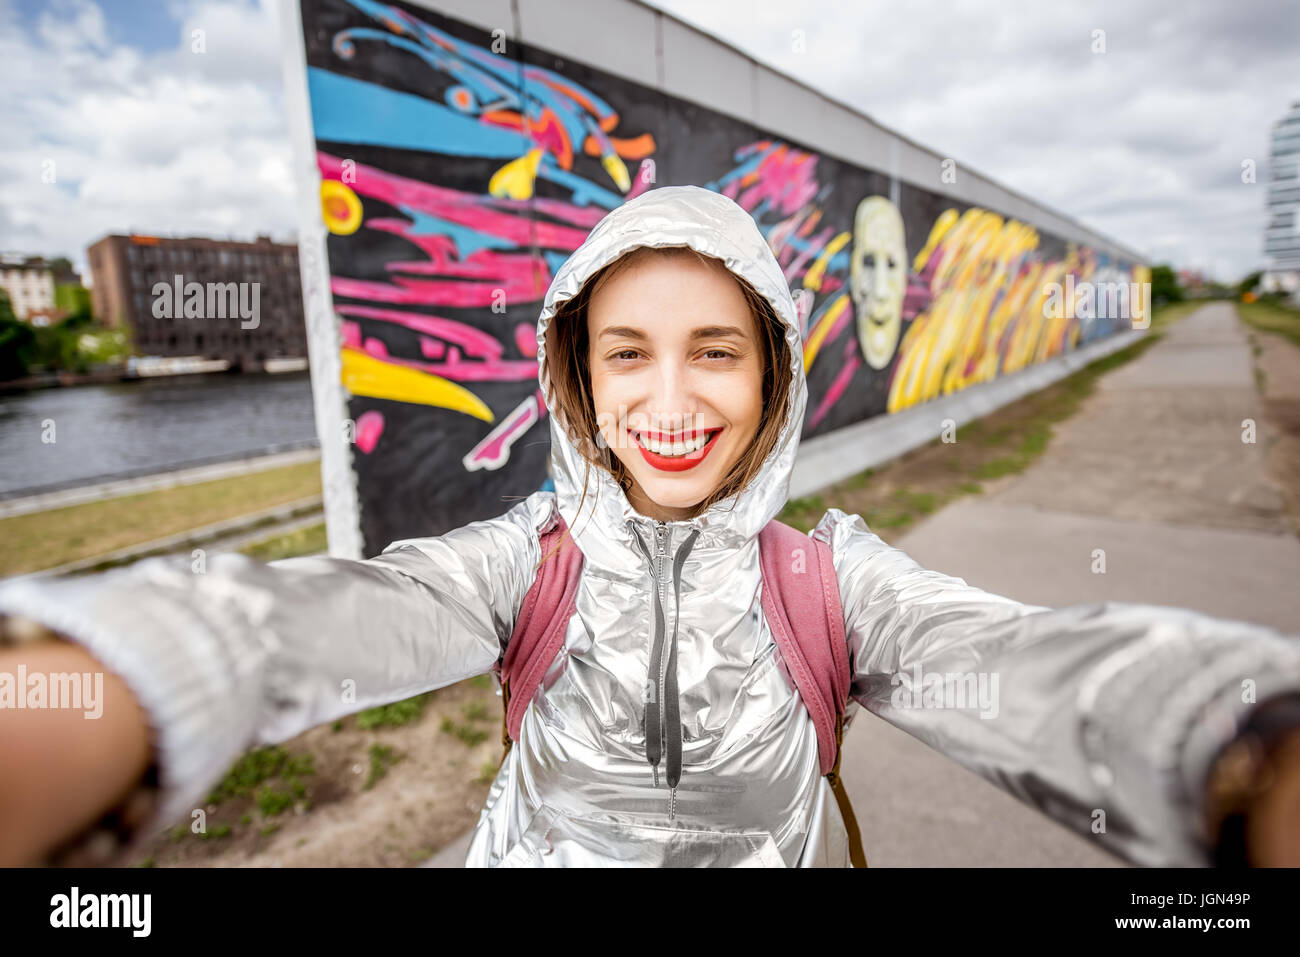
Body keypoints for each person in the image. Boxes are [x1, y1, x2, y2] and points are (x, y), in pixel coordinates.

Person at [1, 185, 1298, 868]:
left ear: (775, 374)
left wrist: (1232, 741)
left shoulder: (830, 578)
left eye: (716, 352)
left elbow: (1035, 667)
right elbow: (295, 628)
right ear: (579, 376)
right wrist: (102, 686)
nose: (669, 403)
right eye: (628, 353)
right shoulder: (521, 565)